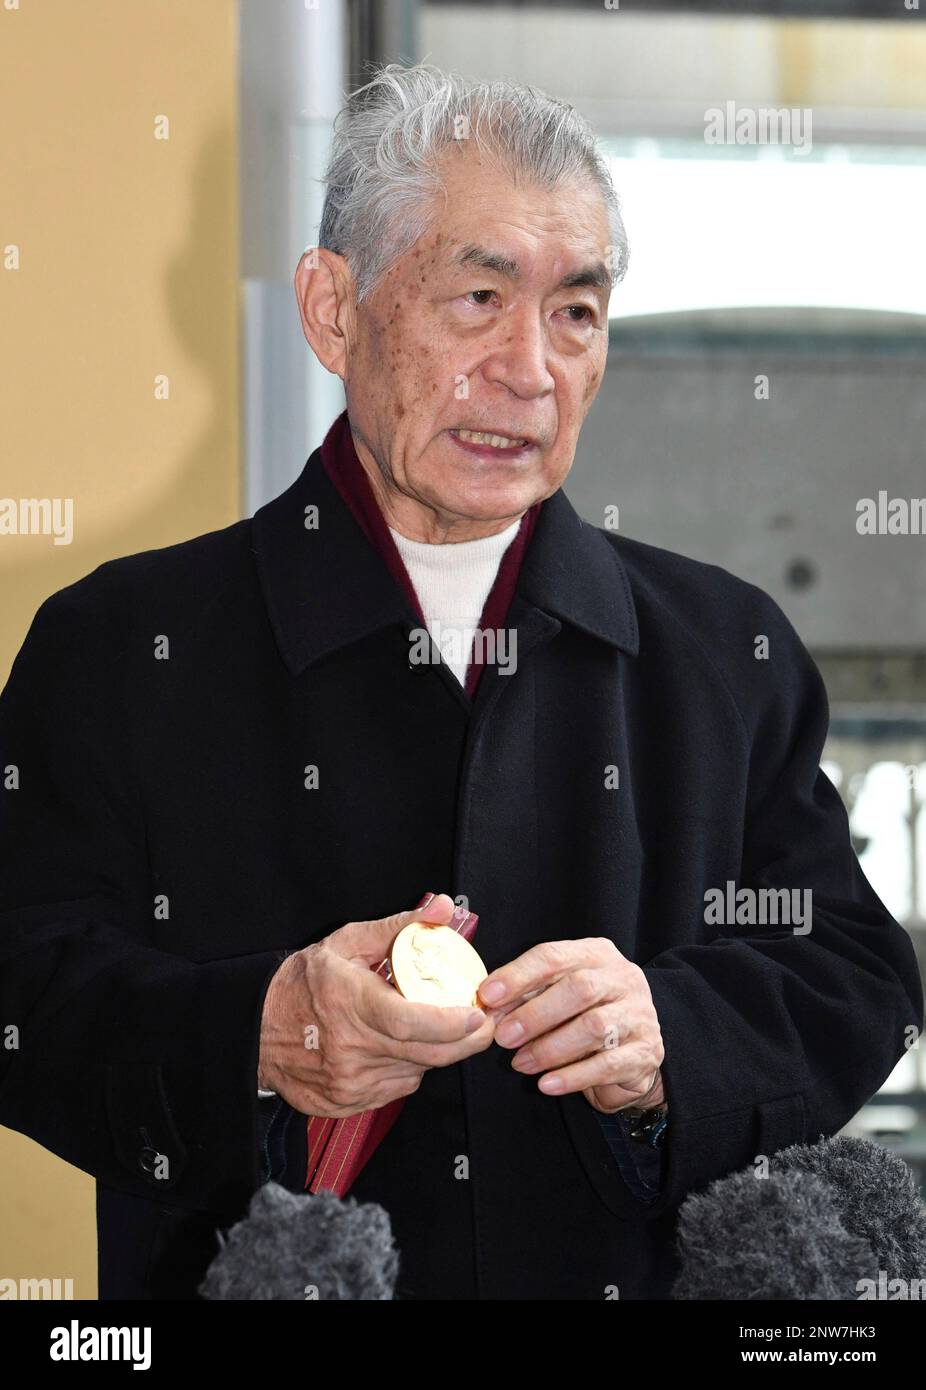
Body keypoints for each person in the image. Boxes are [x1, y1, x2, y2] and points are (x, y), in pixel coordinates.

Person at [1, 63, 921, 1301]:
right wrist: (259, 1034)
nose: (529, 371)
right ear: (332, 310)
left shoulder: (720, 648)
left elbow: (852, 976)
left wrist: (666, 1037)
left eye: (576, 314)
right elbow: (24, 988)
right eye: (478, 296)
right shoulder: (122, 642)